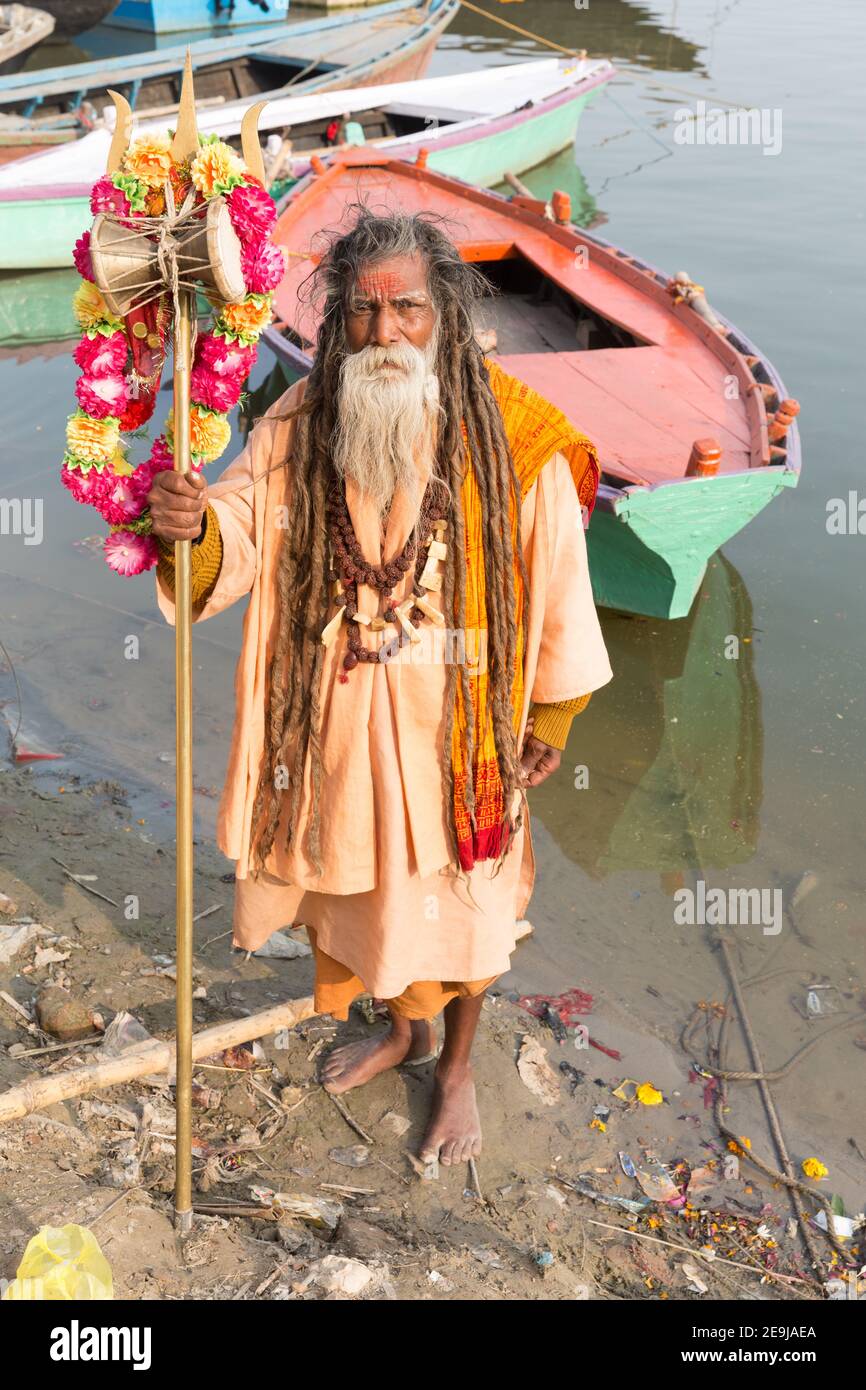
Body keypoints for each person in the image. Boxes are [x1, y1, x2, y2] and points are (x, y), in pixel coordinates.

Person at [148, 210, 612, 1167]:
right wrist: (194, 526)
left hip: (465, 723)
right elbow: (242, 519)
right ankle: (400, 1029)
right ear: (336, 322)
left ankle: (455, 1070)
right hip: (340, 717)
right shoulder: (309, 416)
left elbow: (562, 578)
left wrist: (552, 711)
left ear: (442, 310)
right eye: (362, 314)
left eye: (405, 309)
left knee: (468, 904)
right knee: (362, 895)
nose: (384, 333)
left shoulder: (517, 437)